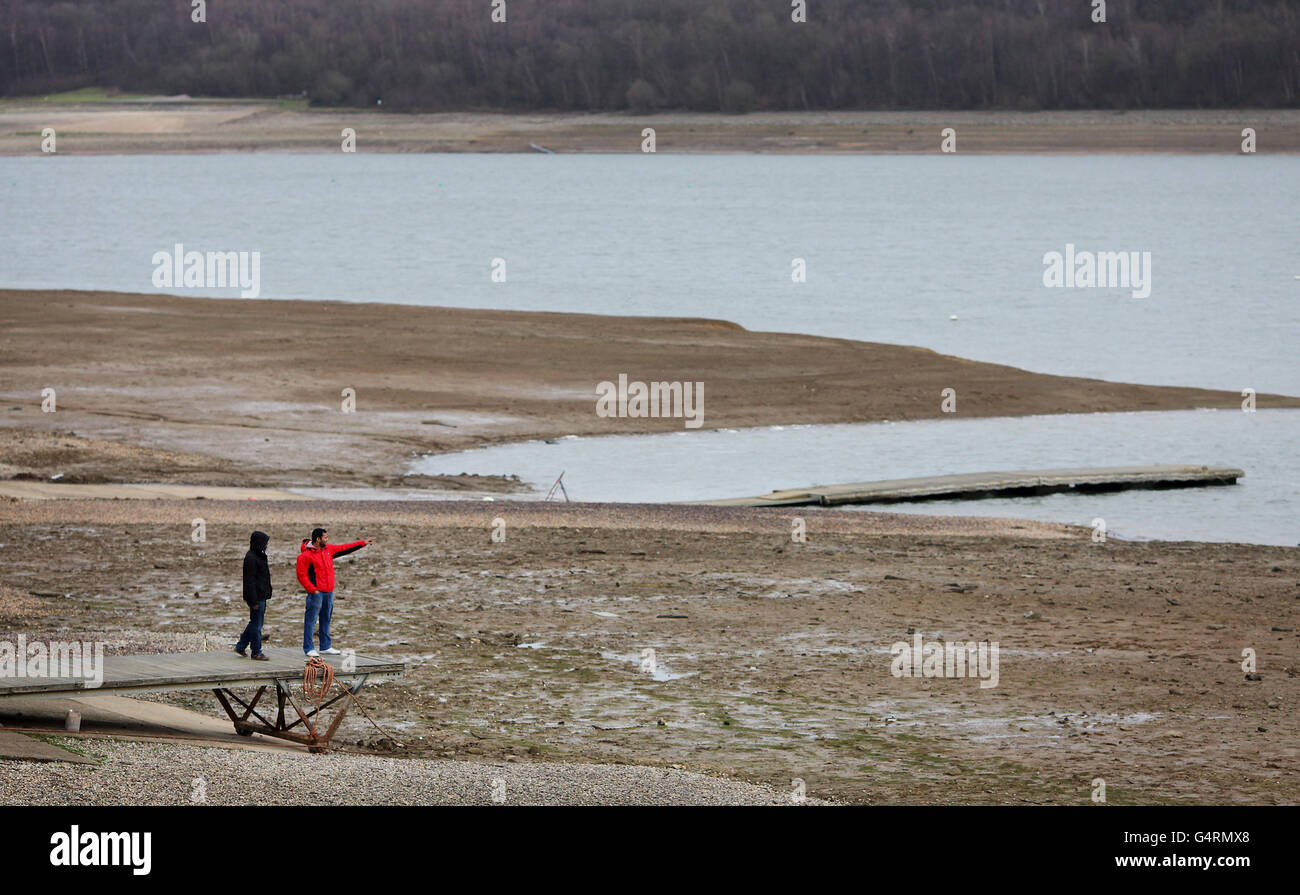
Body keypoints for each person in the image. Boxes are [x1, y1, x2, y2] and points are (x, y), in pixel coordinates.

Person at [296, 527, 369, 657]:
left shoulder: (328, 550)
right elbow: (301, 575)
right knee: (310, 621)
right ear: (318, 539)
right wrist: (313, 590)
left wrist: (363, 543)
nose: (327, 539)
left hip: (328, 592)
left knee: (326, 619)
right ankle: (308, 648)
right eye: (325, 537)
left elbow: (345, 548)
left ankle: (325, 646)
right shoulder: (305, 556)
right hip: (316, 593)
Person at [236, 530, 272, 661]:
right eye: (265, 543)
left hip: (261, 595)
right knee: (256, 625)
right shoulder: (251, 558)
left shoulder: (259, 555)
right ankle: (256, 652)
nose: (267, 545)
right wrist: (253, 601)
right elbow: (249, 582)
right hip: (256, 597)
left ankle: (240, 646)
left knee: (254, 623)